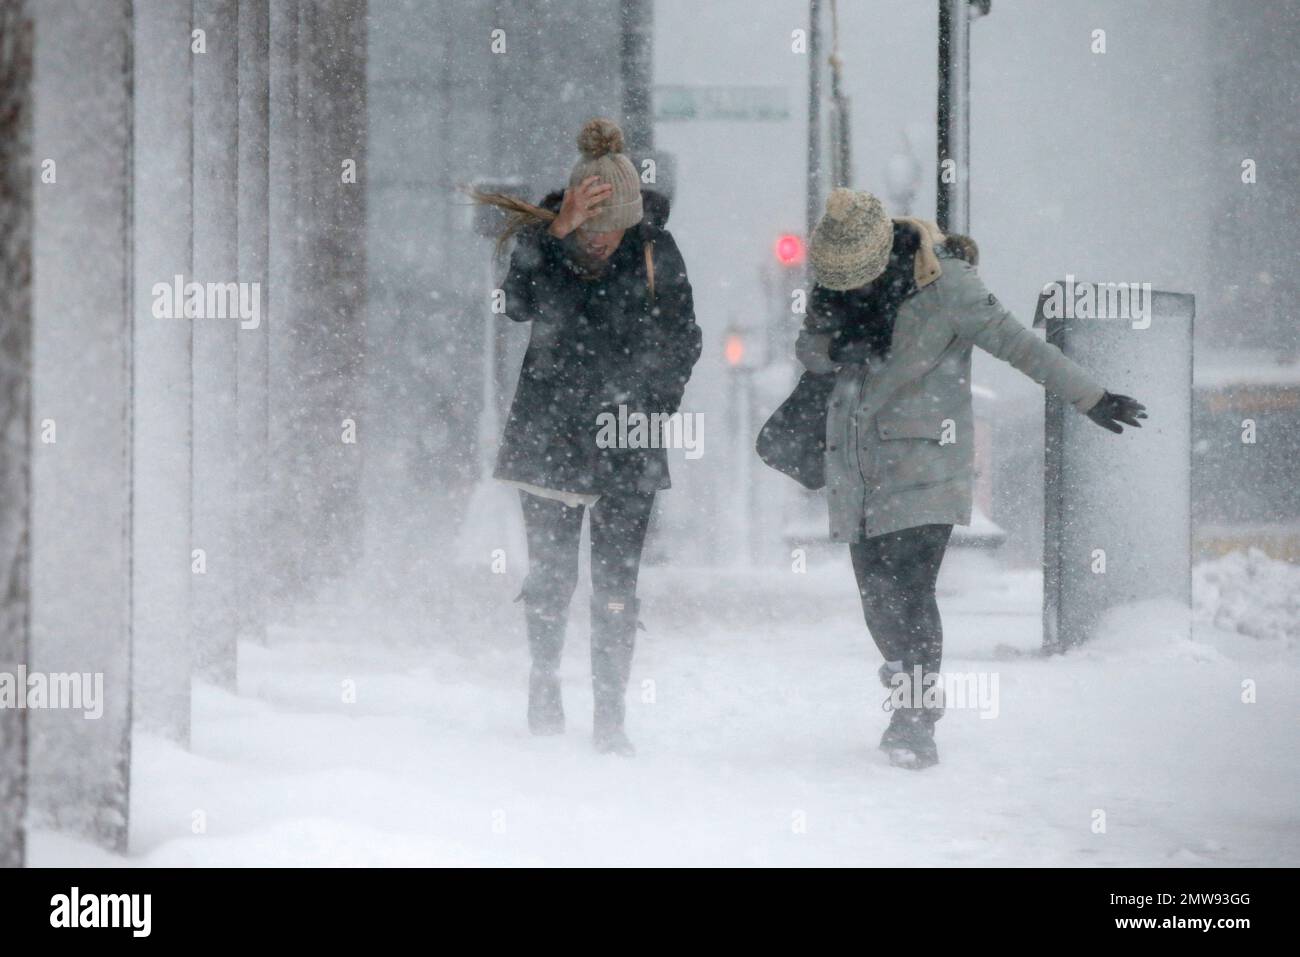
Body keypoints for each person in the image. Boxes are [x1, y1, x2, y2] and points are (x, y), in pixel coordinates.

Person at [797, 188, 1146, 770]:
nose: (850, 288)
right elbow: (809, 354)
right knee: (877, 600)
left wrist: (1093, 397)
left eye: (858, 278)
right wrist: (831, 343)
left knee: (909, 591)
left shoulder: (947, 285)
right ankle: (910, 678)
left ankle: (915, 718)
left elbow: (1019, 345)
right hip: (859, 469)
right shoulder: (833, 284)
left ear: (882, 254)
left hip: (929, 466)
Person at [473, 118, 702, 756]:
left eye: (612, 231)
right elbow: (513, 305)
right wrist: (555, 234)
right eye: (591, 230)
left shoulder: (658, 251)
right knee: (551, 574)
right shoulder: (546, 245)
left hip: (629, 439)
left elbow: (685, 340)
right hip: (547, 434)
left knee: (617, 582)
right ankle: (544, 679)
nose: (601, 244)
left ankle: (611, 712)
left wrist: (652, 404)